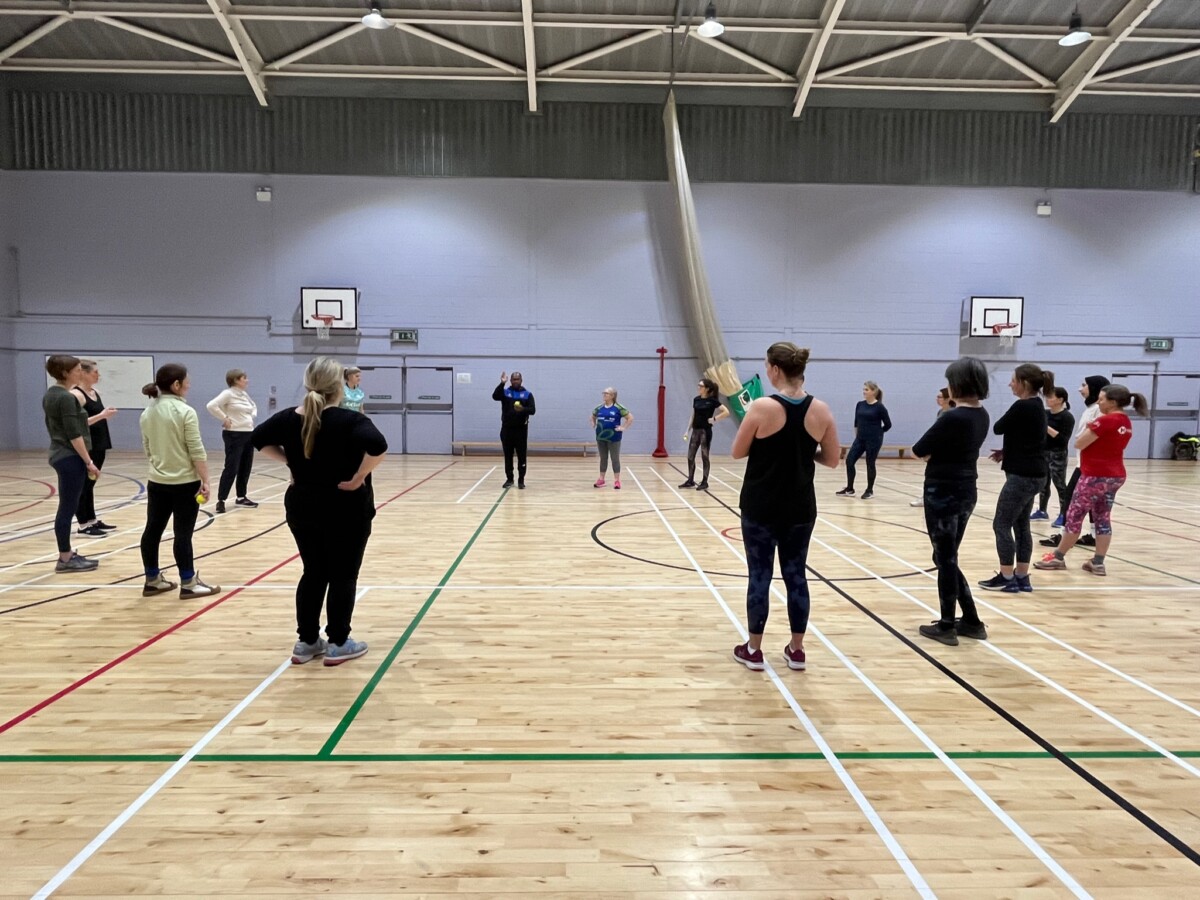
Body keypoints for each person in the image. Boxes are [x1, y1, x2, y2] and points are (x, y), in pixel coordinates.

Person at [253, 357, 387, 665]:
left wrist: (291, 462)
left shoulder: (287, 418)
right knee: (343, 575)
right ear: (338, 386)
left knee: (314, 572)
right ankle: (339, 641)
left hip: (302, 506)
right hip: (346, 508)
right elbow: (378, 446)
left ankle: (307, 641)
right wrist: (358, 477)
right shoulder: (350, 421)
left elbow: (257, 440)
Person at [731, 342, 839, 672]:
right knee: (796, 577)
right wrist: (805, 454)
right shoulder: (820, 410)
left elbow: (738, 451)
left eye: (767, 366)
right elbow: (833, 459)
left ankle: (754, 649)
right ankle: (797, 650)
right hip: (800, 508)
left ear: (776, 370)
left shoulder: (762, 407)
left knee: (759, 577)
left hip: (760, 506)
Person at [914, 357, 991, 646]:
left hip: (942, 490)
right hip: (967, 488)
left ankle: (947, 624)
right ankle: (971, 619)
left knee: (944, 558)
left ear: (957, 384)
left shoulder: (953, 416)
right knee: (945, 556)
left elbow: (918, 449)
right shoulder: (981, 414)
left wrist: (934, 455)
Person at [1035, 385, 1147, 577]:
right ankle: (1098, 562)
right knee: (1103, 517)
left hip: (1095, 475)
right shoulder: (1125, 421)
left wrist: (1089, 427)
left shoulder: (1105, 421)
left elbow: (1079, 442)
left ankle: (1058, 556)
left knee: (1075, 515)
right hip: (1115, 475)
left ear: (1112, 402)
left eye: (1102, 399)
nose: (1098, 402)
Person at [139, 363, 220, 598]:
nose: (189, 384)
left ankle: (152, 579)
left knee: (152, 530)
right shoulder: (185, 412)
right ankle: (188, 583)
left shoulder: (147, 412)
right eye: (186, 381)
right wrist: (205, 480)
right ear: (176, 385)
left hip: (157, 482)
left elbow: (147, 448)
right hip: (185, 484)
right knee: (182, 534)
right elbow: (196, 450)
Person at [978, 364, 1055, 594]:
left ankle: (1006, 576)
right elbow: (1029, 439)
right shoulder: (1037, 406)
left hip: (1022, 477)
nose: (1011, 384)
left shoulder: (1022, 406)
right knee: (1021, 525)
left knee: (1001, 524)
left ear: (1024, 383)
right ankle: (1022, 577)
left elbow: (999, 427)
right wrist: (1007, 453)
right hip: (1035, 473)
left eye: (1013, 380)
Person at [43, 355, 102, 572]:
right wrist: (89, 461)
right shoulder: (66, 398)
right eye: (77, 369)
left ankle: (66, 554)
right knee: (67, 508)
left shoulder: (52, 394)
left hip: (61, 454)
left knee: (67, 507)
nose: (81, 372)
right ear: (66, 373)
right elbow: (73, 434)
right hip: (69, 456)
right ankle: (65, 558)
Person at [1041, 375, 1110, 549]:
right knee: (1090, 501)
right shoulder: (1090, 409)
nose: (1080, 389)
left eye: (1084, 385)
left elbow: (1096, 436)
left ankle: (1065, 536)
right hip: (1084, 463)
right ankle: (1092, 536)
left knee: (1071, 497)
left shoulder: (1099, 410)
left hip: (1090, 465)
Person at [71, 359, 119, 537]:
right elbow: (77, 423)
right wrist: (101, 415)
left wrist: (104, 414)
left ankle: (91, 519)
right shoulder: (77, 395)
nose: (98, 375)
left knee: (90, 484)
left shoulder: (94, 392)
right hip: (87, 444)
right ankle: (83, 524)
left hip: (99, 442)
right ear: (83, 373)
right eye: (94, 372)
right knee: (83, 485)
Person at [206, 368, 259, 514]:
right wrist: (224, 418)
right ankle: (221, 500)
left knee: (245, 467)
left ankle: (241, 497)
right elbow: (211, 406)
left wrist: (251, 415)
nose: (247, 380)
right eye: (244, 378)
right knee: (232, 467)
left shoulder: (244, 394)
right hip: (234, 435)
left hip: (248, 433)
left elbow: (253, 407)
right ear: (236, 380)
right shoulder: (228, 394)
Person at [836, 381, 891, 500]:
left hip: (874, 440)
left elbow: (888, 424)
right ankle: (850, 489)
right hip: (860, 439)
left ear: (873, 392)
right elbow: (856, 421)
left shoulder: (879, 407)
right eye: (864, 389)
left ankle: (869, 490)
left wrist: (878, 432)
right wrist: (857, 433)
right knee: (849, 461)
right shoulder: (860, 404)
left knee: (870, 463)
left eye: (866, 389)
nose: (864, 391)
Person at [1033, 387, 1075, 524]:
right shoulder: (1044, 413)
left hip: (1058, 453)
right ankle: (1042, 510)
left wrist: (1046, 427)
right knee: (1043, 483)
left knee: (1059, 483)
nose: (1047, 399)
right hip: (1043, 452)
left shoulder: (1067, 417)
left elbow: (1063, 439)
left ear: (1060, 400)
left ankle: (1064, 514)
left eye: (1051, 397)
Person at [680, 377, 729, 490]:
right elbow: (693, 415)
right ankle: (690, 480)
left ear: (706, 389)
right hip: (695, 431)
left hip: (705, 432)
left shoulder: (712, 401)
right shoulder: (696, 400)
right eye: (698, 385)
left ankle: (704, 481)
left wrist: (715, 419)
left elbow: (726, 412)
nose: (698, 387)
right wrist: (687, 430)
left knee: (704, 456)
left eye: (701, 386)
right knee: (690, 456)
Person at [910, 388, 954, 507]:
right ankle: (927, 497)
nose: (937, 399)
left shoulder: (951, 415)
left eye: (940, 397)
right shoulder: (941, 412)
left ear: (947, 399)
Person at [493, 371, 536, 489]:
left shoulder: (527, 394)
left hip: (521, 431)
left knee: (522, 456)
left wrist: (522, 409)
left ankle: (521, 480)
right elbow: (495, 396)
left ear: (521, 380)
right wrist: (502, 383)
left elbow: (532, 410)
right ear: (510, 381)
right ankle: (509, 479)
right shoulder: (505, 392)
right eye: (513, 379)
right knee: (508, 455)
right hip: (507, 430)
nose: (515, 381)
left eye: (518, 379)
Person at [591, 387, 632, 489]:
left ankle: (617, 481)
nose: (604, 395)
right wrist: (594, 424)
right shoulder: (599, 407)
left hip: (614, 438)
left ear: (612, 396)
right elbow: (592, 416)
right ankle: (601, 479)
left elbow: (630, 418)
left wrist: (623, 427)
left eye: (606, 393)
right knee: (603, 458)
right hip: (600, 438)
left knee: (615, 459)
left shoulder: (619, 408)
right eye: (603, 393)